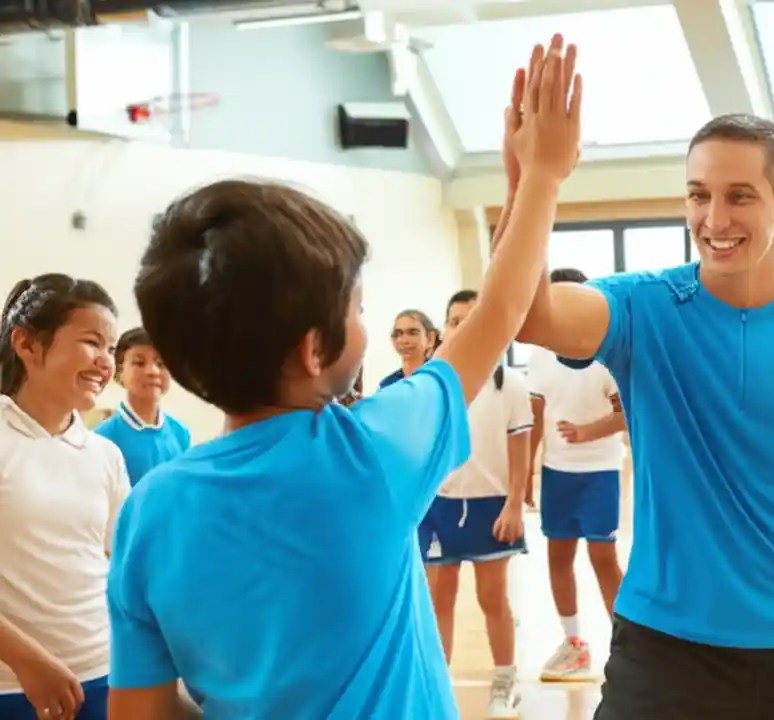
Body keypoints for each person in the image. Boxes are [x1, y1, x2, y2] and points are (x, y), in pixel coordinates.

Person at [103, 35, 582, 720]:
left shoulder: (151, 512)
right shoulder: (371, 452)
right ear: (313, 350)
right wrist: (540, 177)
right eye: (357, 309)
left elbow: (140, 712)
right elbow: (499, 313)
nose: (369, 322)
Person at [511, 113, 774, 719]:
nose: (715, 220)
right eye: (699, 196)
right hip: (662, 647)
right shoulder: (641, 307)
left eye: (739, 196)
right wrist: (535, 178)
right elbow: (526, 315)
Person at [0, 274, 130, 720]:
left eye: (111, 350)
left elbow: (123, 563)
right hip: (15, 687)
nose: (105, 363)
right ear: (28, 345)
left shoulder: (105, 455)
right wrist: (24, 659)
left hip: (104, 672)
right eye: (93, 342)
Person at [421, 289, 532, 719]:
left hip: (491, 506)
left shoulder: (512, 385)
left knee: (492, 598)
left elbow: (520, 453)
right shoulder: (431, 384)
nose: (461, 327)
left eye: (472, 318)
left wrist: (515, 505)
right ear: (442, 330)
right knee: (438, 600)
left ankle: (505, 681)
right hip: (439, 506)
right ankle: (438, 687)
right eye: (454, 320)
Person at [524, 267, 627, 682]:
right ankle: (574, 644)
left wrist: (588, 432)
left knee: (603, 557)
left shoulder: (606, 357)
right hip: (556, 473)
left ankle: (626, 644)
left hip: (600, 470)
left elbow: (627, 413)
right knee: (558, 556)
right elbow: (534, 416)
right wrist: (527, 476)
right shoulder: (540, 355)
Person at [94, 327, 192, 486]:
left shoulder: (180, 433)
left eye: (160, 363)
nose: (152, 371)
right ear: (119, 372)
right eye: (139, 363)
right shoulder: (102, 439)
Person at [380, 309, 440, 389]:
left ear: (430, 338)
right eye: (398, 334)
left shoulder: (440, 378)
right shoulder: (388, 384)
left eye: (412, 333)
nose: (404, 340)